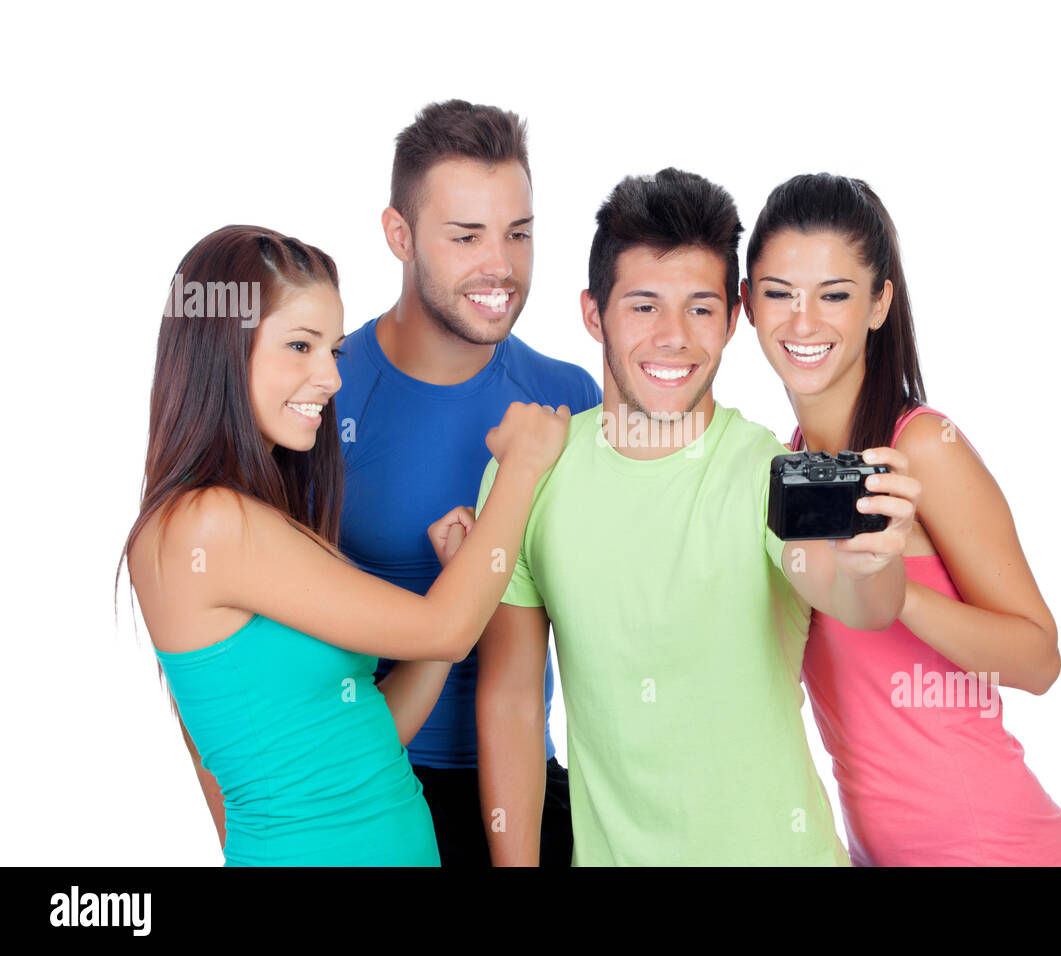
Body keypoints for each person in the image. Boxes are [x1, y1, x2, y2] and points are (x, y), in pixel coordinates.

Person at [474, 168, 920, 865]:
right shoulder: (531, 471)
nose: (673, 337)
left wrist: (874, 559)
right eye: (644, 306)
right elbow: (511, 700)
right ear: (594, 314)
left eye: (701, 308)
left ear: (733, 319)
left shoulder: (765, 470)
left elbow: (854, 597)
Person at [118, 224, 569, 866]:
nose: (329, 377)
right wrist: (521, 469)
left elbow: (370, 735)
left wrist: (450, 602)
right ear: (222, 348)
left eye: (331, 349)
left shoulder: (247, 518)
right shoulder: (207, 524)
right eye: (299, 346)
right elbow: (443, 627)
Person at [741, 172, 1061, 866]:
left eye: (834, 295)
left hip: (996, 848)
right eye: (779, 294)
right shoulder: (784, 473)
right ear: (747, 304)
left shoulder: (922, 447)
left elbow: (1039, 660)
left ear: (878, 304)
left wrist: (894, 590)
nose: (803, 322)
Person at [332, 99, 600, 866]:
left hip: (524, 781)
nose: (502, 266)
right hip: (377, 783)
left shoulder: (568, 395)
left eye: (519, 233)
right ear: (399, 235)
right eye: (466, 236)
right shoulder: (324, 393)